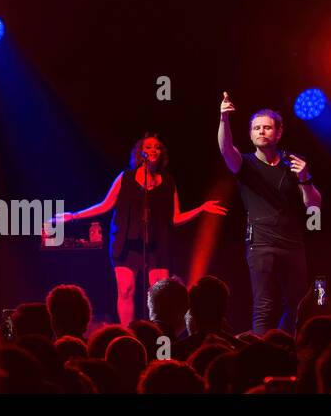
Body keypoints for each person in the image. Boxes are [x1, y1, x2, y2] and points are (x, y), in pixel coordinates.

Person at [55, 134, 227, 325]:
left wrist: (201, 209)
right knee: (126, 289)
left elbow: (175, 218)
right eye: (148, 147)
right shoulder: (125, 177)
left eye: (157, 147)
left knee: (158, 292)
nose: (153, 150)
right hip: (126, 241)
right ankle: (127, 333)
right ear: (140, 153)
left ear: (162, 154)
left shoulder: (168, 182)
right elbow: (105, 205)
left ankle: (159, 333)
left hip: (157, 242)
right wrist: (73, 216)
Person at [217, 93, 321, 334]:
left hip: (293, 244)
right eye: (256, 128)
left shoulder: (293, 164)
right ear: (251, 134)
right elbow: (225, 148)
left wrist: (305, 178)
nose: (261, 131)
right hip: (261, 244)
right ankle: (263, 359)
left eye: (266, 127)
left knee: (298, 307)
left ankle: (291, 355)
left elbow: (313, 205)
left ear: (279, 132)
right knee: (265, 305)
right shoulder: (244, 164)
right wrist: (224, 118)